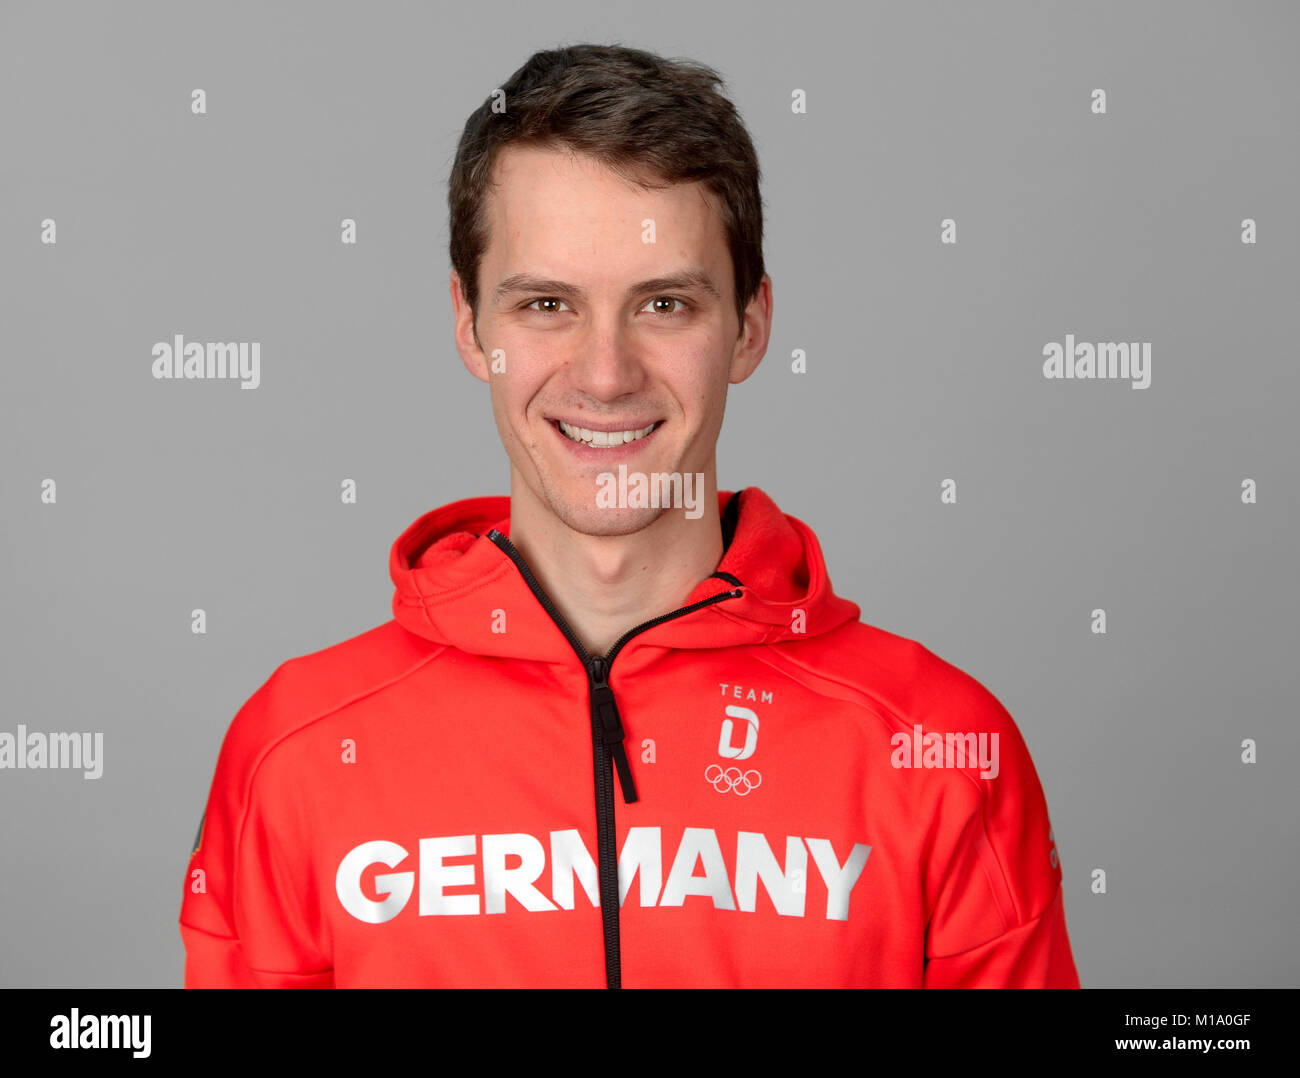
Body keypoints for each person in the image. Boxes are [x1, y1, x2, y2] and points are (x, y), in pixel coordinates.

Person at [179, 43, 1080, 988]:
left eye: (663, 303)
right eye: (545, 304)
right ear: (468, 324)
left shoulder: (936, 748)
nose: (605, 374)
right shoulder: (297, 750)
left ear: (750, 326)